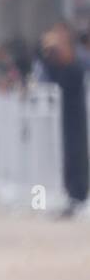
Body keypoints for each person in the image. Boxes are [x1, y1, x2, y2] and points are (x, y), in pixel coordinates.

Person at [35, 21, 89, 216]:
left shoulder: (77, 65)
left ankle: (79, 195)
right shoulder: (57, 65)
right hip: (62, 120)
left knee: (78, 156)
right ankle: (71, 195)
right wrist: (46, 52)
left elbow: (68, 75)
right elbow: (47, 74)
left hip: (78, 118)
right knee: (67, 157)